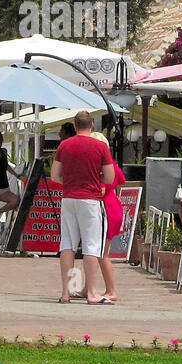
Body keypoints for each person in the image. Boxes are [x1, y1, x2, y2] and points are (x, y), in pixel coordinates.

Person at [52, 110, 116, 305]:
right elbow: (110, 177)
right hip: (91, 199)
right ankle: (92, 293)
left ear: (74, 125)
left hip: (69, 198)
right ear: (92, 125)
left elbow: (55, 175)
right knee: (91, 246)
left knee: (67, 245)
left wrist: (71, 182)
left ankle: (66, 291)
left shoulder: (64, 145)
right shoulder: (100, 147)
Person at [91, 131, 126, 301]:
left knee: (101, 253)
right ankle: (88, 287)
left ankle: (111, 290)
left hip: (106, 209)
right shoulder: (111, 164)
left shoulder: (102, 167)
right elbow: (121, 179)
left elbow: (101, 188)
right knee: (96, 252)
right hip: (112, 207)